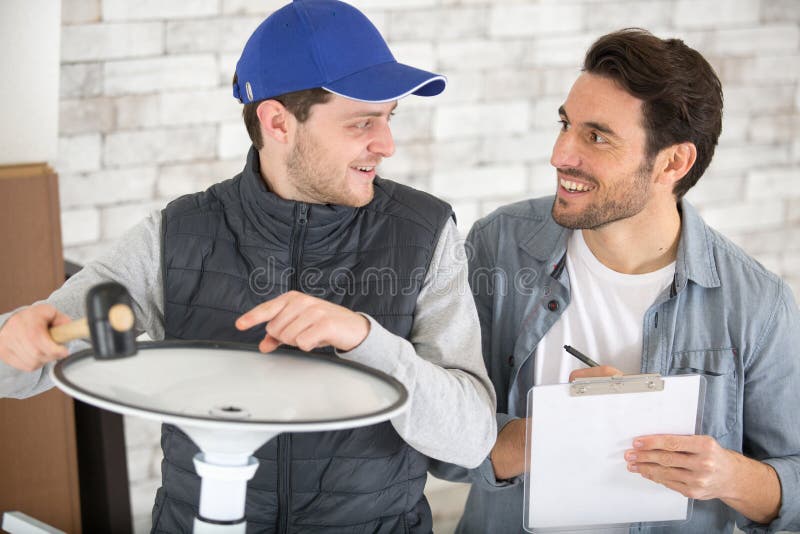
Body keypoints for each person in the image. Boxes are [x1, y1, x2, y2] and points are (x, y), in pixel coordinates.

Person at [0, 1, 497, 531]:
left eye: (389, 118)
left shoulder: (424, 232)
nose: (387, 144)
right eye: (362, 122)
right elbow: (18, 375)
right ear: (278, 122)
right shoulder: (175, 234)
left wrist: (365, 341)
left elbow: (470, 439)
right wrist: (16, 337)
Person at [430, 28, 800, 533]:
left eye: (596, 136)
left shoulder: (759, 306)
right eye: (565, 124)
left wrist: (726, 474)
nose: (561, 154)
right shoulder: (499, 246)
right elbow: (441, 442)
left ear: (674, 161)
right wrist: (561, 430)